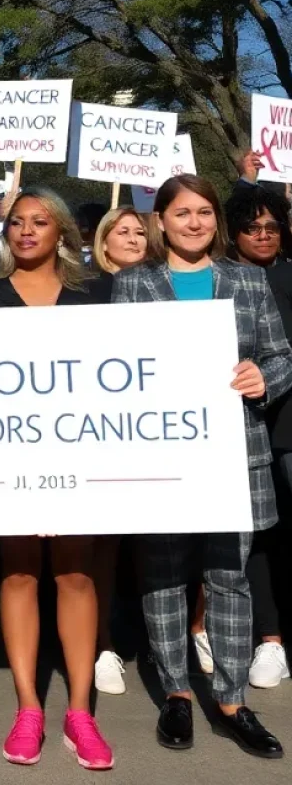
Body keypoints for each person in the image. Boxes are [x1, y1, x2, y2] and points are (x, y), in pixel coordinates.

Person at [113, 174, 292, 758]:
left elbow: (280, 354)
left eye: (205, 213)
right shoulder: (134, 284)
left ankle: (233, 698)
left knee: (229, 577)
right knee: (163, 574)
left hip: (234, 452)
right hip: (162, 454)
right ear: (159, 221)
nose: (195, 222)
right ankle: (175, 693)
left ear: (217, 221)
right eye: (183, 213)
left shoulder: (248, 279)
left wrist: (265, 378)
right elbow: (116, 365)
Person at [0, 189, 114, 771]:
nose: (27, 230)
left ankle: (79, 711)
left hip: (79, 457)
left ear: (62, 231)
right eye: (18, 222)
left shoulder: (97, 294)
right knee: (16, 571)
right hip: (6, 461)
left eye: (40, 222)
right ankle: (28, 706)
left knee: (76, 574)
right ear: (6, 232)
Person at [225, 183, 292, 690]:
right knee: (259, 542)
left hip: (288, 429)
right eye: (251, 226)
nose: (263, 234)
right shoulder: (227, 283)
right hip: (244, 432)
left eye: (272, 226)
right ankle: (271, 638)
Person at [86, 206, 149, 696]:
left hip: (152, 427)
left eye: (140, 230)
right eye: (122, 231)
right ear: (103, 243)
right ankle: (103, 644)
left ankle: (174, 635)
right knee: (104, 546)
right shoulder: (87, 291)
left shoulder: (162, 284)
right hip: (102, 431)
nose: (133, 237)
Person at [92, 207, 148, 275]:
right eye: (124, 232)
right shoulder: (88, 284)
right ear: (104, 242)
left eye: (140, 233)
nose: (133, 240)